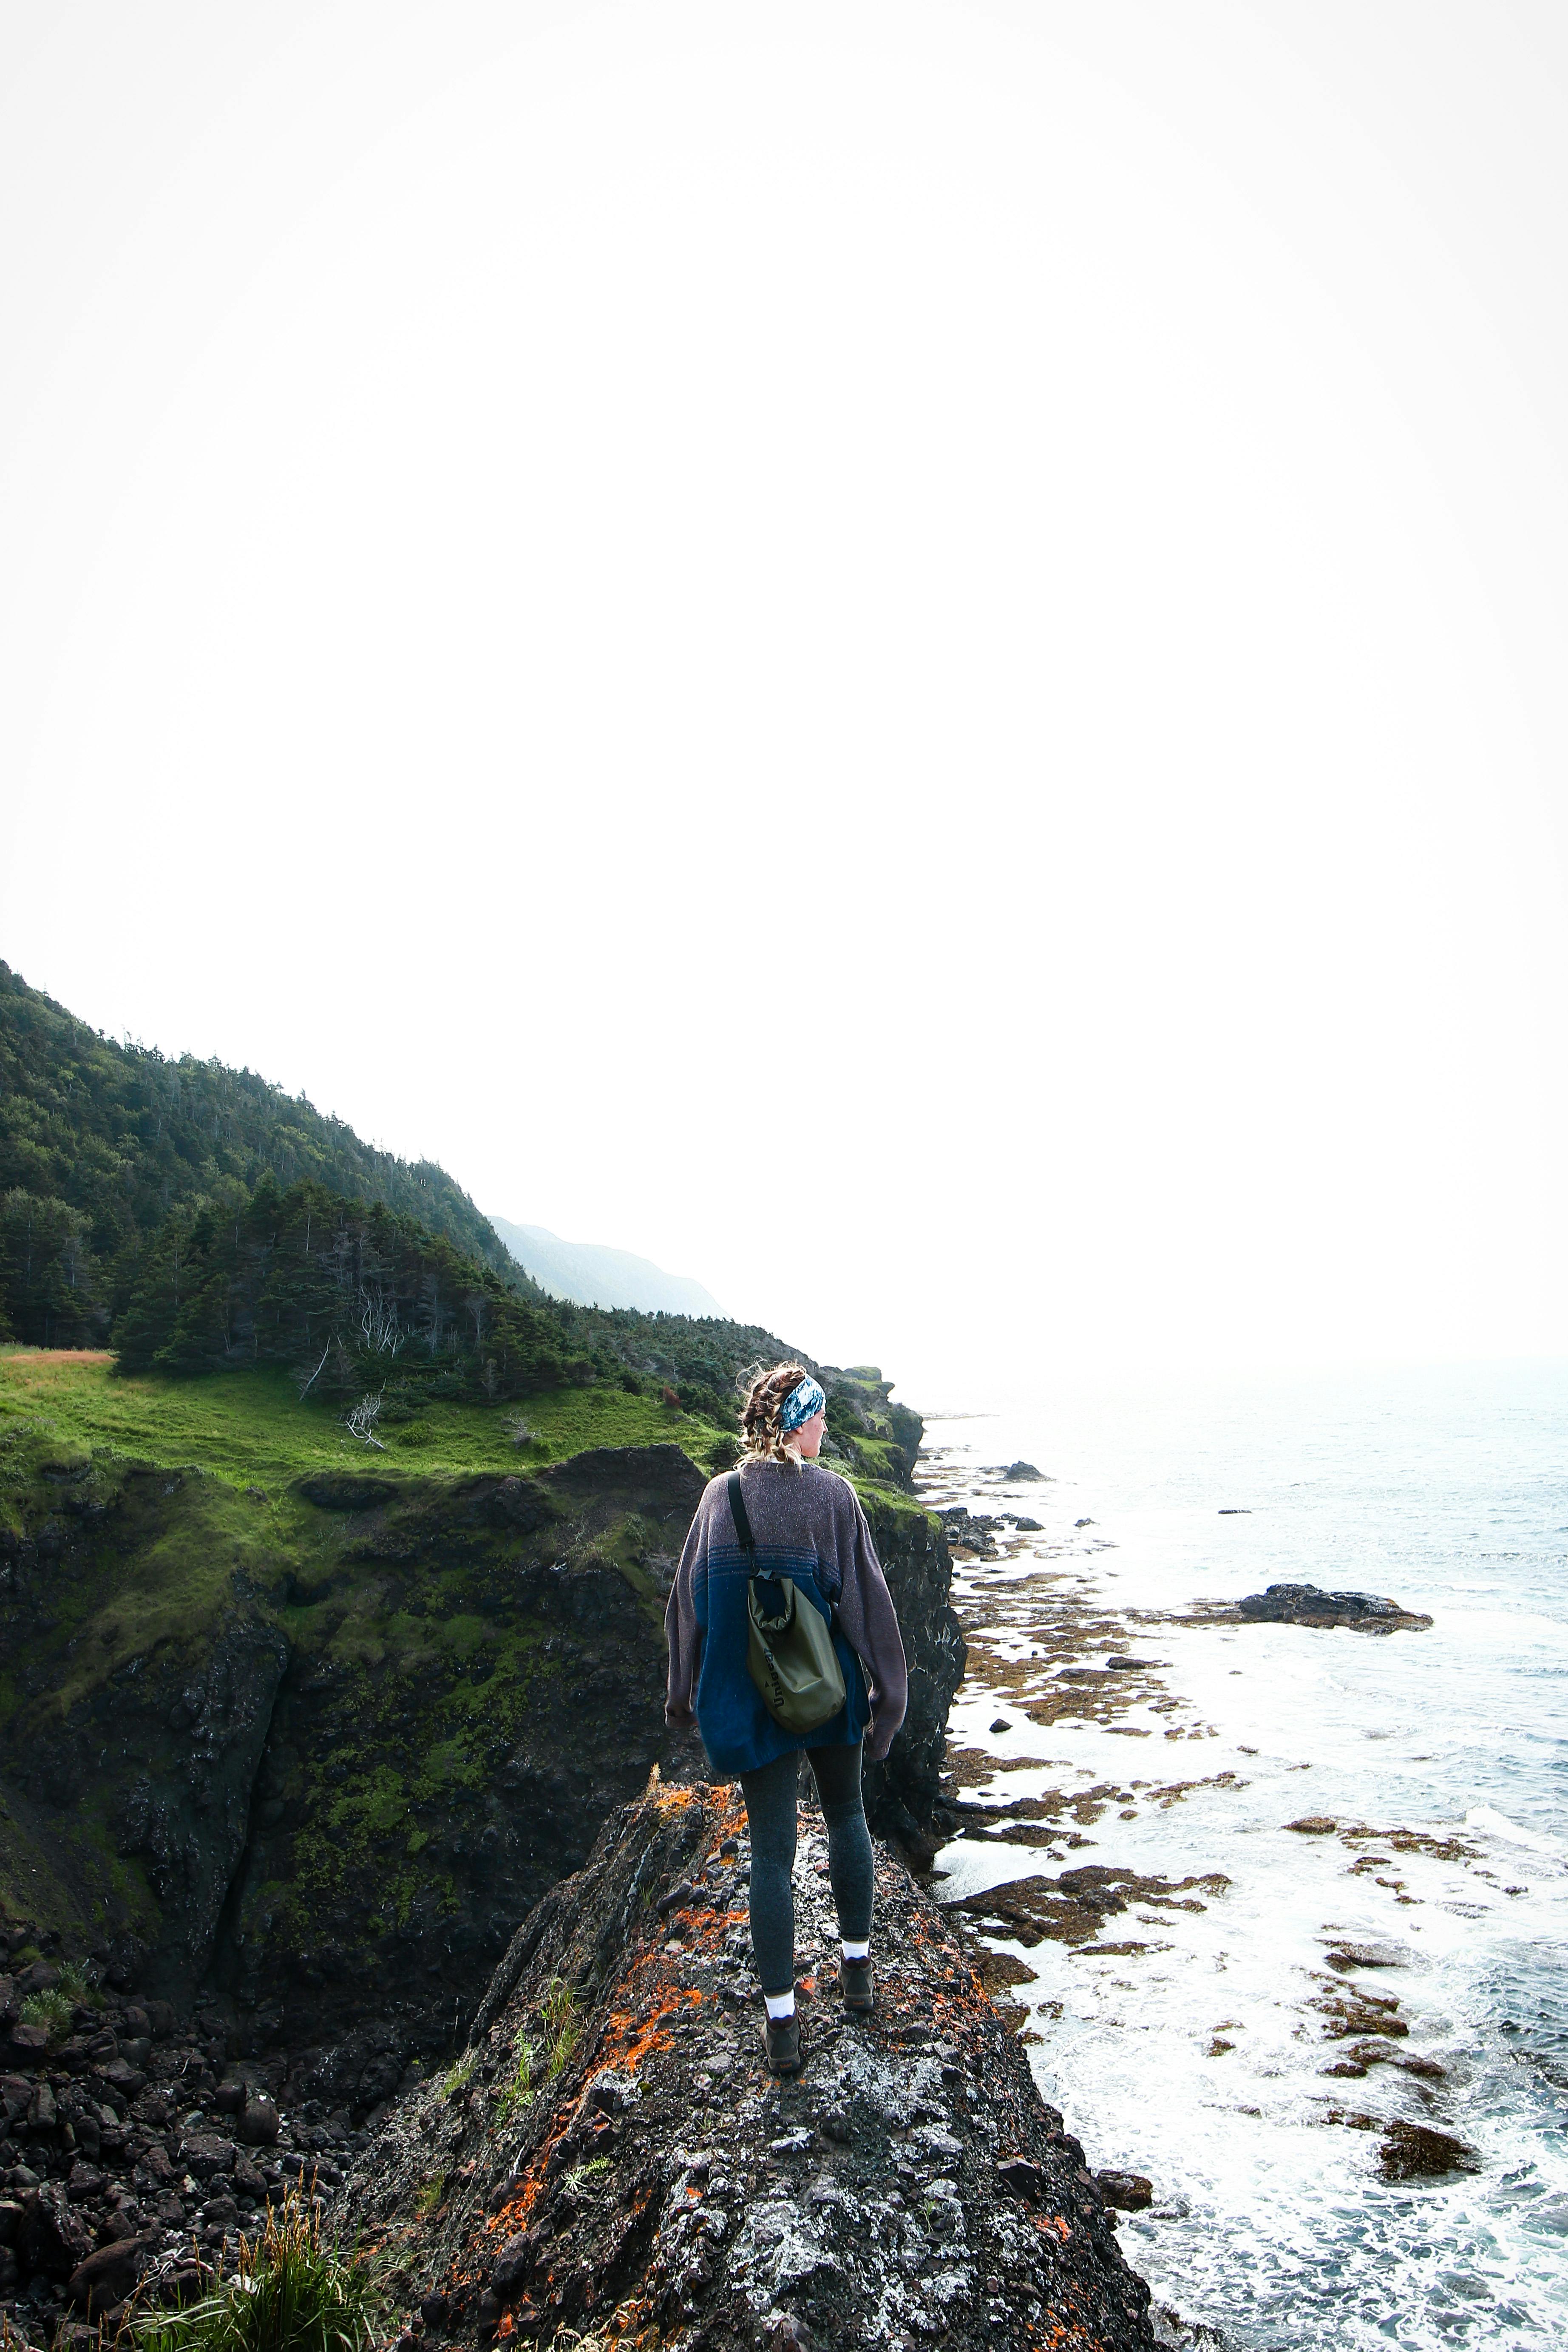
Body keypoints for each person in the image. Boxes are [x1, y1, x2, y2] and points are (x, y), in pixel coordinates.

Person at [665, 1362, 908, 2074]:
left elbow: (687, 1604)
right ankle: (857, 1975)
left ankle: (781, 2026)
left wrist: (681, 1696)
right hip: (826, 1691)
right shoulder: (831, 1497)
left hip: (747, 1698)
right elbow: (867, 1601)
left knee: (770, 1852)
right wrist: (887, 1700)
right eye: (821, 1416)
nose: (826, 1427)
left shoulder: (719, 1498)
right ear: (799, 1421)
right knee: (845, 1815)